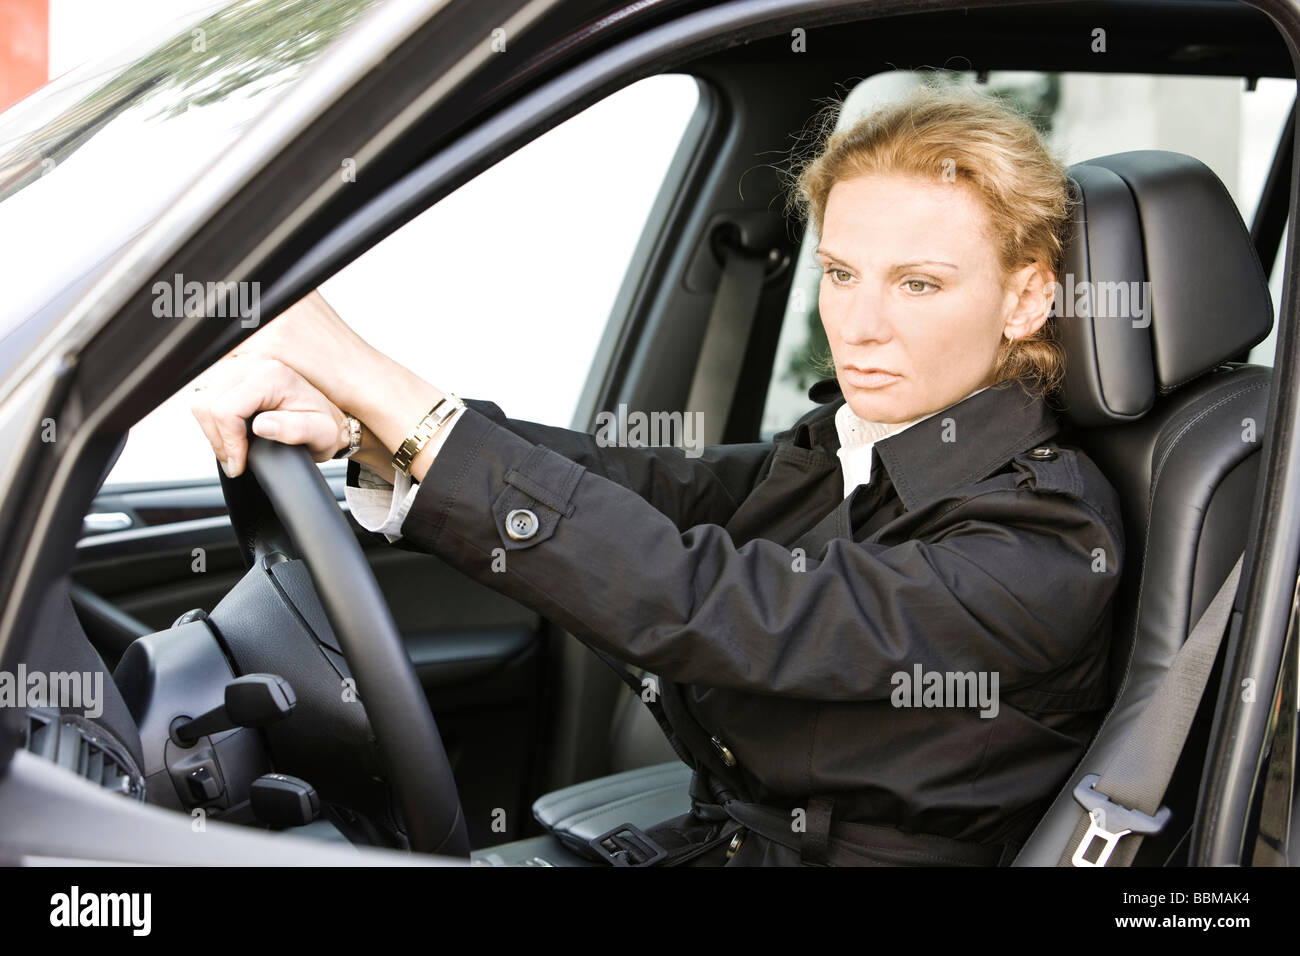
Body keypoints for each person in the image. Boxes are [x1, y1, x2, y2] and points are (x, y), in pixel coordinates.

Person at [190, 83, 1124, 866]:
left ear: (1027, 296)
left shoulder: (1043, 539)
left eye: (918, 284)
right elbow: (650, 489)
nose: (860, 325)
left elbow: (713, 604)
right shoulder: (860, 441)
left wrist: (366, 372)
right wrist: (363, 425)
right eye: (841, 273)